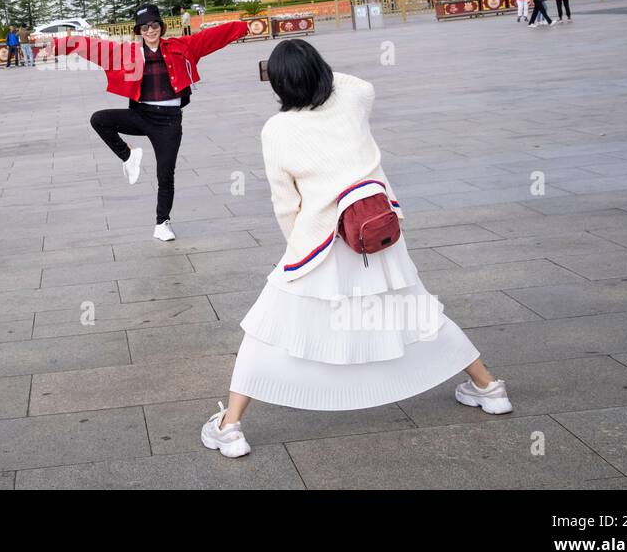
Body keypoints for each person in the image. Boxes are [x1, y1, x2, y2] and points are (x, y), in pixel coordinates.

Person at [200, 40, 512, 457]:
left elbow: (285, 203)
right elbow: (356, 84)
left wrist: (298, 249)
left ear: (278, 84)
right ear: (322, 70)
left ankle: (230, 426)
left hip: (323, 242)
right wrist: (317, 73)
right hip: (379, 232)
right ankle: (489, 388)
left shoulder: (277, 129)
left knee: (270, 329)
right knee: (418, 312)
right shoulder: (351, 99)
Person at [52, 4, 247, 242]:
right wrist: (60, 45)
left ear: (161, 27)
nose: (150, 30)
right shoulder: (128, 53)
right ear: (139, 30)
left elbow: (212, 37)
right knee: (99, 119)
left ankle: (162, 223)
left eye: (154, 25)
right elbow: (93, 47)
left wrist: (242, 27)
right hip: (142, 115)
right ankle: (128, 155)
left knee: (165, 174)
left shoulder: (181, 47)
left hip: (169, 123)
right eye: (144, 27)